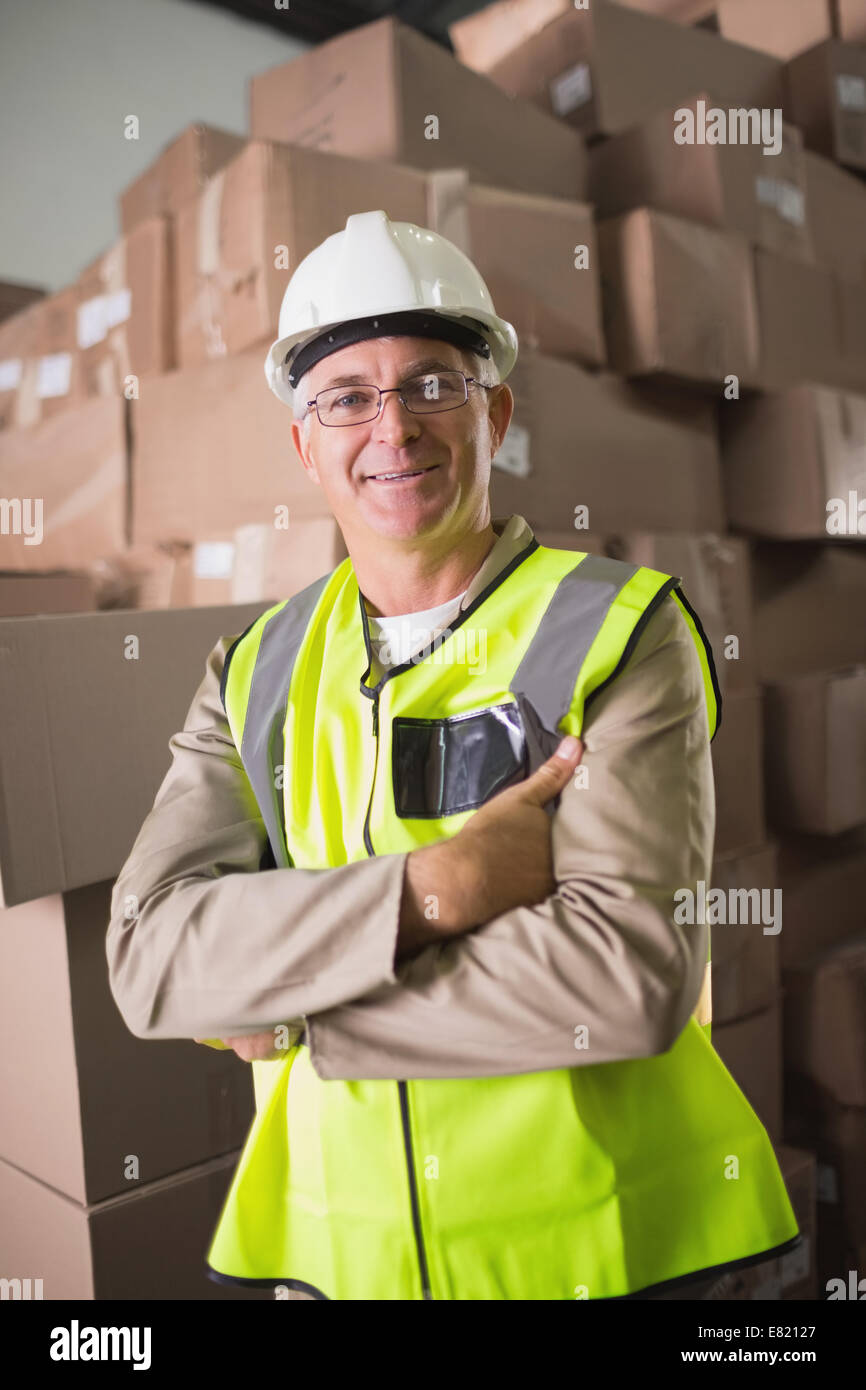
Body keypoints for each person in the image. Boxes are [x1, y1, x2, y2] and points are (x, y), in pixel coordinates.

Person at [106, 210, 800, 1301]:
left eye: (432, 383)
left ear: (497, 415)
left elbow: (622, 977)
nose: (393, 429)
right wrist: (436, 890)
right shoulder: (254, 669)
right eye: (347, 396)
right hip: (344, 1264)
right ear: (304, 442)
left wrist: (294, 1002)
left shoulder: (614, 627)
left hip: (616, 1255)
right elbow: (151, 958)